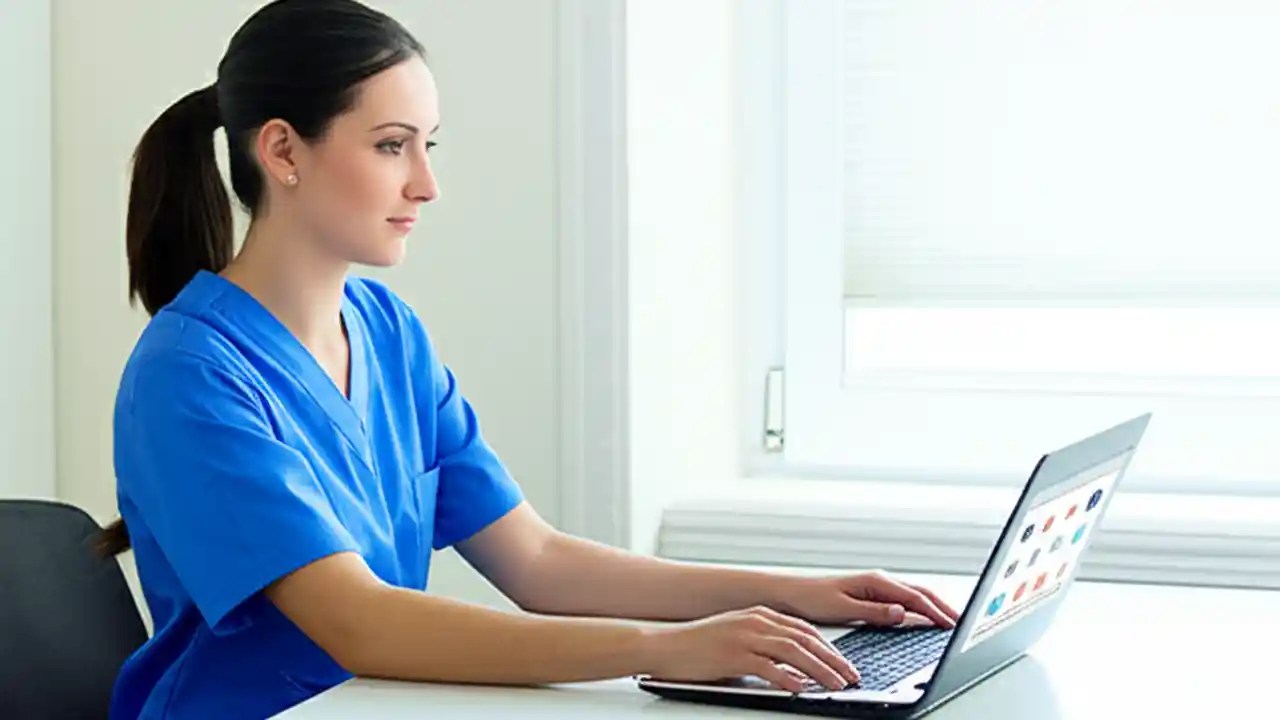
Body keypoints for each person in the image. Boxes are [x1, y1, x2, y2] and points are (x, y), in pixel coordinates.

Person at [100, 1, 960, 717]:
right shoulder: (191, 375)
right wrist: (671, 650)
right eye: (392, 145)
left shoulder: (389, 333)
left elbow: (538, 563)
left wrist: (799, 596)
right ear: (283, 151)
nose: (426, 184)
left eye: (428, 146)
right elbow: (357, 624)